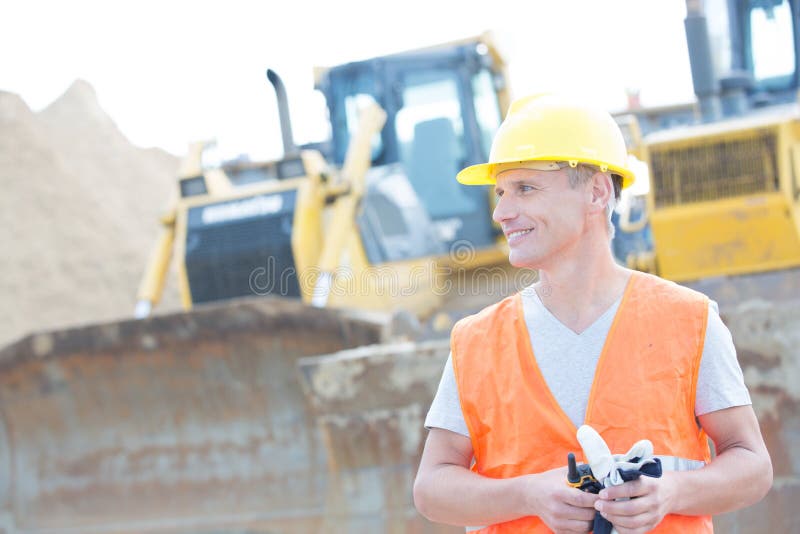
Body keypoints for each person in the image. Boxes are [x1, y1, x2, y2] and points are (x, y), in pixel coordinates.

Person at [412, 93, 772, 533]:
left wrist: (672, 492)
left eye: (525, 188)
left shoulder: (689, 320)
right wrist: (527, 495)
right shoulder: (478, 341)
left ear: (597, 193)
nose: (502, 212)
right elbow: (431, 489)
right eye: (501, 192)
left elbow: (752, 465)